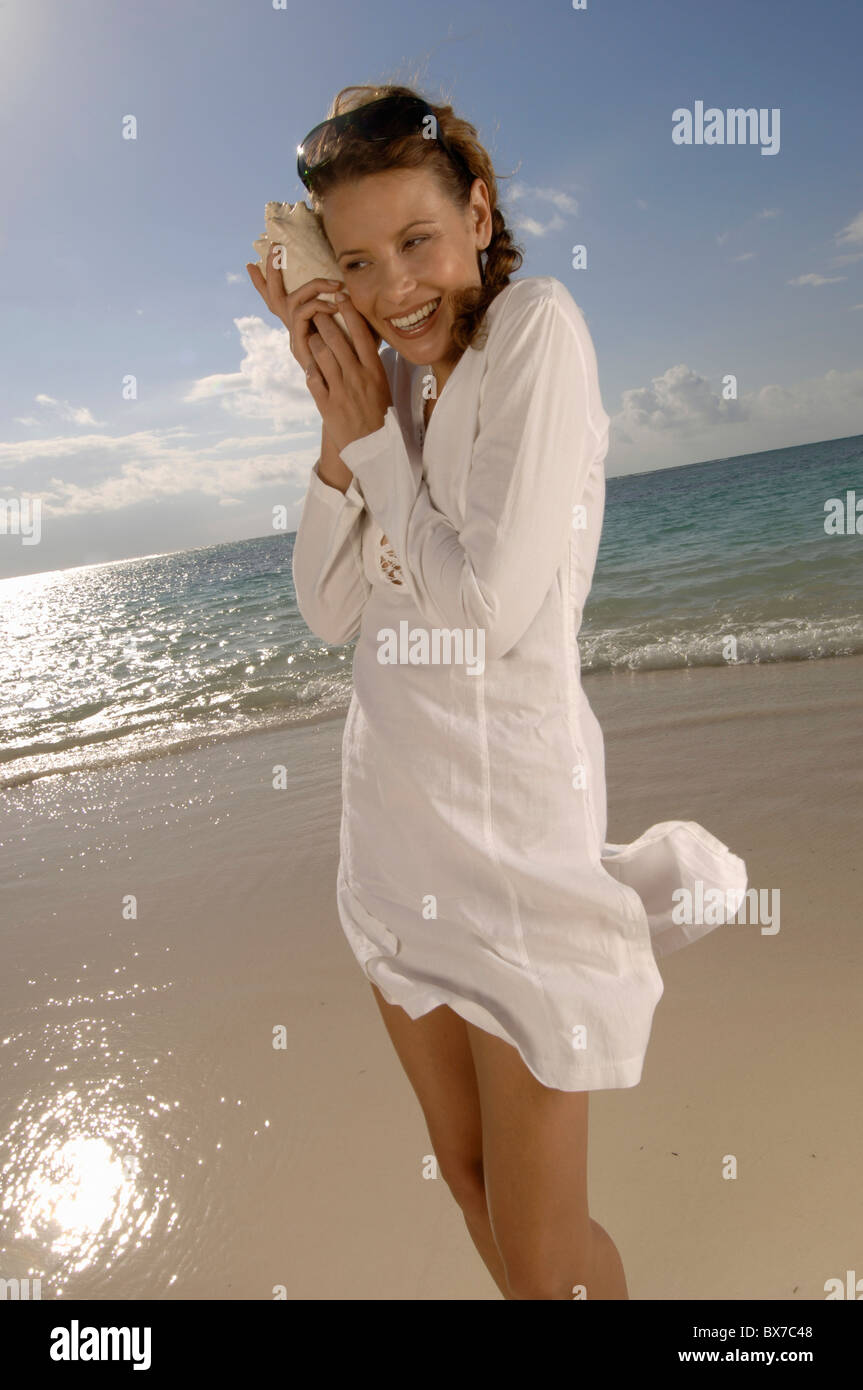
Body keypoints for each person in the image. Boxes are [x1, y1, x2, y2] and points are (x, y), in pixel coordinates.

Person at [247, 83, 747, 1301]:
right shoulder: (390, 382)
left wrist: (373, 440)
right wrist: (341, 416)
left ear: (477, 212)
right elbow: (327, 609)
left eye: (415, 240)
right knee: (469, 1183)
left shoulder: (536, 333)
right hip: (393, 843)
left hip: (513, 851)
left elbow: (480, 615)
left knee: (540, 1264)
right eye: (355, 261)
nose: (394, 287)